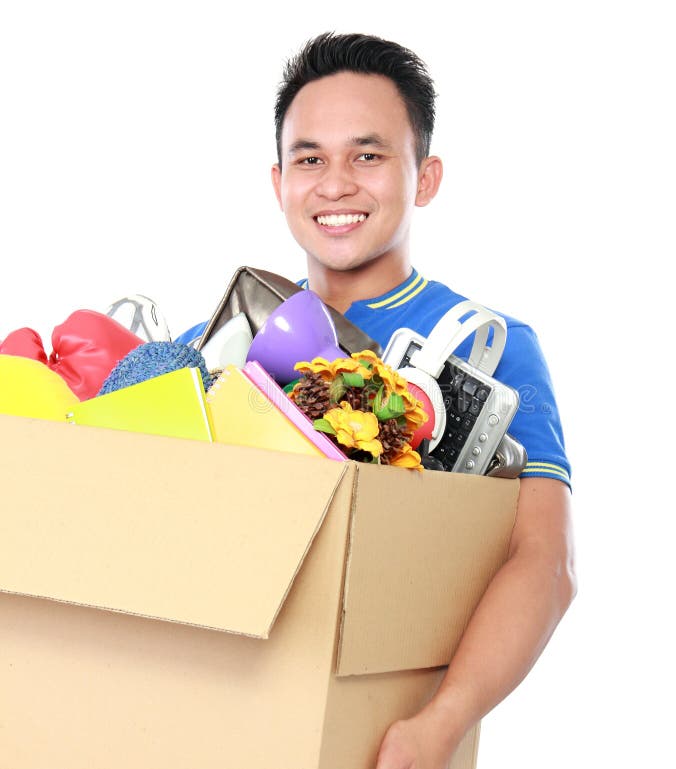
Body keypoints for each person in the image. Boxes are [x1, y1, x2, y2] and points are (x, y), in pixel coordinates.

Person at [180, 31, 576, 769]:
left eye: (368, 155)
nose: (335, 184)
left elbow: (545, 563)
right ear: (278, 182)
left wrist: (438, 725)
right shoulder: (216, 341)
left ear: (424, 176)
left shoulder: (490, 348)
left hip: (380, 735)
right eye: (310, 159)